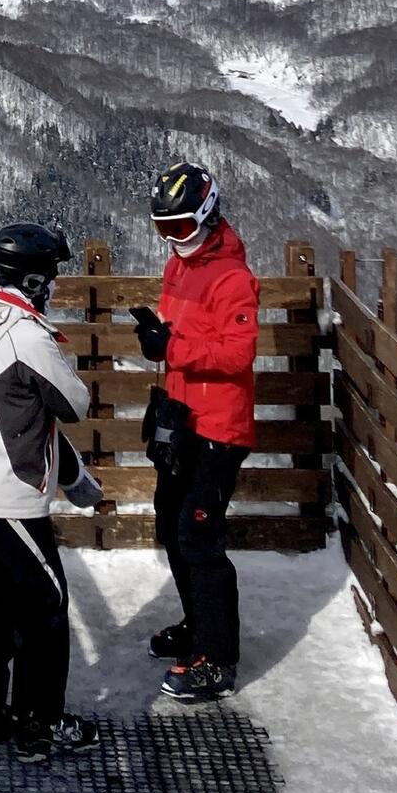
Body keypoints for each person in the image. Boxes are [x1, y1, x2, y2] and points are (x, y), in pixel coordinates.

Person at [0, 219, 111, 764]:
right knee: (46, 604)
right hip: (9, 499)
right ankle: (40, 724)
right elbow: (74, 403)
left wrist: (72, 476)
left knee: (0, 601)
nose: (57, 283)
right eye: (52, 275)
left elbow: (19, 417)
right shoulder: (26, 335)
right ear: (36, 280)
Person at [128, 162, 258, 705]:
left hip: (218, 431)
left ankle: (217, 660)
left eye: (180, 227)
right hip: (181, 423)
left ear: (206, 216)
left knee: (199, 540)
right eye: (163, 228)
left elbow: (238, 354)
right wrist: (159, 338)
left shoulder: (233, 279)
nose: (172, 239)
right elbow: (184, 337)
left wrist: (172, 347)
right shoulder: (178, 269)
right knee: (171, 529)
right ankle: (197, 625)